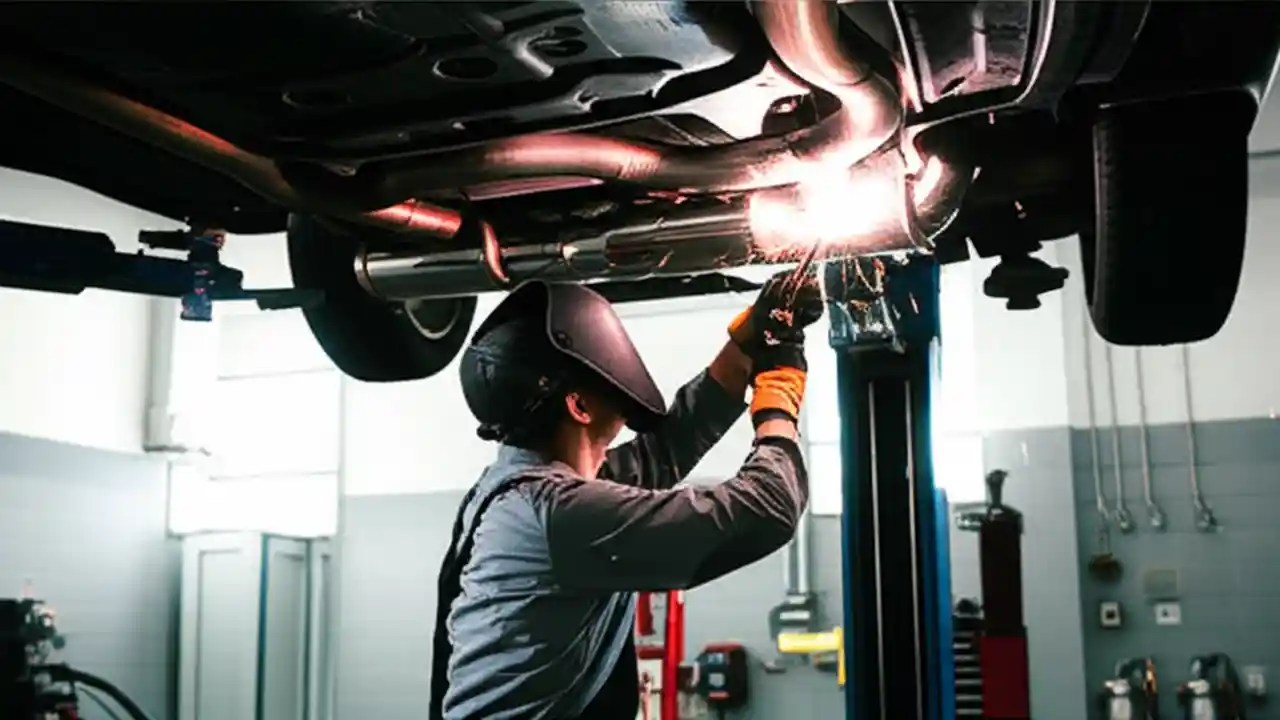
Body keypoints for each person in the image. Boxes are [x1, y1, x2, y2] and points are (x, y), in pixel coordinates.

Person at [430, 273, 823, 720]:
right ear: (579, 405)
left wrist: (749, 340)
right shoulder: (558, 515)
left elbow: (666, 449)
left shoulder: (520, 492)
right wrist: (778, 403)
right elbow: (767, 508)